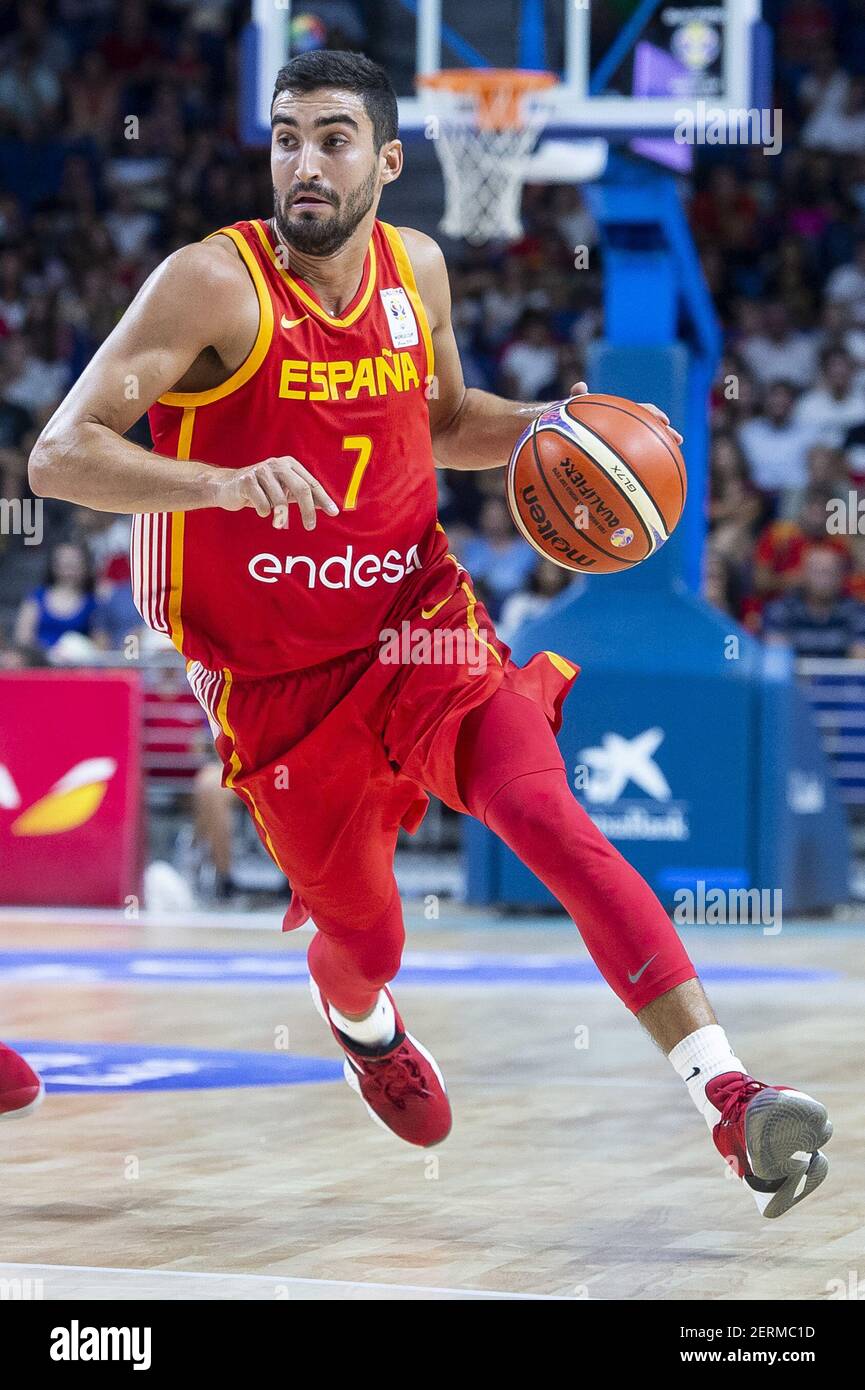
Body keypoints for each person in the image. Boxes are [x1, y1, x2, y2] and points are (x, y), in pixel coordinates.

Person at [19, 51, 831, 1219]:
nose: (304, 161)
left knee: (545, 812)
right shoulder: (211, 284)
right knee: (370, 937)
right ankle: (363, 1023)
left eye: (333, 138)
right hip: (275, 683)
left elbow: (446, 421)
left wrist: (558, 425)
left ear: (389, 161)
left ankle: (731, 1094)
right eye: (287, 136)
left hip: (420, 620)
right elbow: (58, 452)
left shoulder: (419, 271)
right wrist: (218, 483)